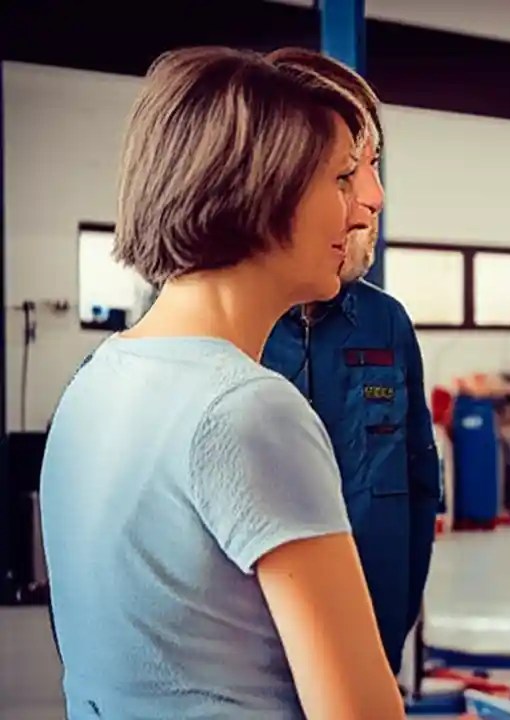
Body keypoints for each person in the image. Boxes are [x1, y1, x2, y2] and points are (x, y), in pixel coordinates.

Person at [40, 46, 406, 719]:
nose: (364, 208)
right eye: (342, 178)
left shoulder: (96, 381)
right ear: (264, 189)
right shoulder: (249, 410)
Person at [259, 49, 441, 679]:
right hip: (266, 653)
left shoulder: (386, 323)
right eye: (346, 174)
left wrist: (396, 613)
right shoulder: (225, 343)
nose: (373, 200)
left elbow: (419, 481)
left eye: (373, 168)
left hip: (376, 617)